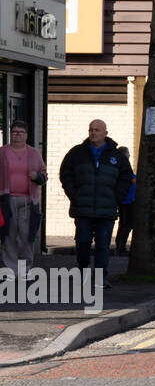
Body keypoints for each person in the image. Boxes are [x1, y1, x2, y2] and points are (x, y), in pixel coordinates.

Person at [59, 119, 131, 287]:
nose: (93, 133)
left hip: (107, 209)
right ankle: (83, 273)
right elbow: (66, 174)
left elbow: (126, 177)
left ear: (105, 133)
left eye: (97, 130)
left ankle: (100, 278)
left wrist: (116, 198)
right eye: (91, 129)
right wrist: (74, 195)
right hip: (82, 208)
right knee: (82, 242)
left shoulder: (117, 156)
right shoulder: (77, 153)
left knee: (103, 245)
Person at [0, 121, 46, 280]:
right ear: (10, 133)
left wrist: (37, 177)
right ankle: (10, 271)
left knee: (27, 235)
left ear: (26, 135)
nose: (17, 134)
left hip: (29, 200)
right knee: (9, 235)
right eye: (14, 132)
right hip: (7, 199)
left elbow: (44, 174)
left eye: (21, 132)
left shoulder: (34, 153)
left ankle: (25, 270)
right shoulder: (2, 152)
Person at [114, 146, 135, 256]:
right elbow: (130, 179)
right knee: (127, 224)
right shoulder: (123, 165)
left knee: (123, 224)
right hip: (127, 200)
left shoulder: (119, 164)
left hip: (126, 199)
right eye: (128, 153)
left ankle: (120, 246)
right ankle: (120, 247)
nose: (130, 155)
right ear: (124, 154)